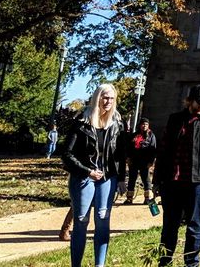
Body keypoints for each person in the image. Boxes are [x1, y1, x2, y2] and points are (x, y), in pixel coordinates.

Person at [153, 84, 200, 267]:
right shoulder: (175, 120)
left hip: (198, 181)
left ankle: (191, 263)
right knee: (170, 225)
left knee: (194, 225)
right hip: (172, 181)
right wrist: (156, 180)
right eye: (199, 102)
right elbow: (162, 151)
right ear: (190, 101)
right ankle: (165, 261)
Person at [60, 84, 127, 267]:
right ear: (97, 97)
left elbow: (121, 154)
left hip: (107, 178)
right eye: (105, 97)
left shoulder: (118, 123)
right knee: (81, 220)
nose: (108, 101)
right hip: (84, 177)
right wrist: (87, 171)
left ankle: (100, 264)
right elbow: (67, 154)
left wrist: (121, 179)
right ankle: (76, 264)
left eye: (112, 98)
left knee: (103, 219)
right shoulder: (82, 121)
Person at [125, 117, 157, 204]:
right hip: (134, 161)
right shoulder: (134, 135)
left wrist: (151, 162)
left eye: (146, 124)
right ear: (140, 125)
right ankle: (129, 198)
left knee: (146, 179)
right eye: (143, 124)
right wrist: (128, 158)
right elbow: (128, 148)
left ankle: (148, 198)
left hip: (145, 161)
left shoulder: (151, 136)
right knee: (132, 179)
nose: (144, 126)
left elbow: (153, 150)